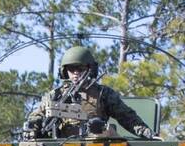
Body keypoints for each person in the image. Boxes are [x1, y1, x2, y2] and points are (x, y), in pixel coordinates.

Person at [23, 45, 155, 140]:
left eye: (80, 68)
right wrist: (33, 128)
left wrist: (146, 132)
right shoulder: (56, 95)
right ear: (64, 71)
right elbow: (37, 116)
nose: (76, 73)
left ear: (90, 69)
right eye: (71, 69)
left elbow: (127, 117)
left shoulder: (103, 93)